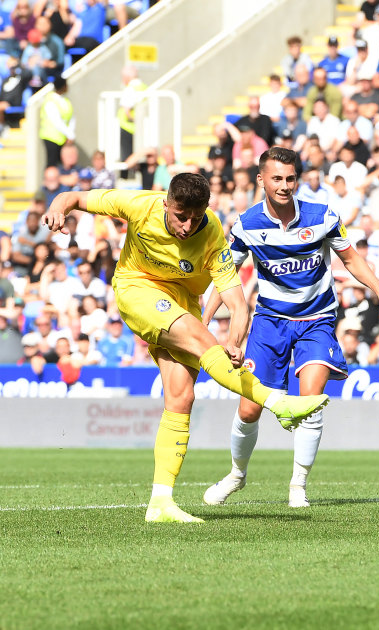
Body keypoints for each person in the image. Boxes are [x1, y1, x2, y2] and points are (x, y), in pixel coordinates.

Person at [41, 174, 331, 523]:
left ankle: (160, 502)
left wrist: (236, 342)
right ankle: (276, 402)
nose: (188, 225)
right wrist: (58, 208)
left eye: (196, 216)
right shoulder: (139, 206)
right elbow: (73, 196)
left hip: (183, 303)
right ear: (166, 203)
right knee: (200, 338)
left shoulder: (211, 236)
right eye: (181, 215)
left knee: (181, 396)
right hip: (138, 289)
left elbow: (237, 305)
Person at [202, 147, 379, 508]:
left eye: (290, 178)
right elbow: (225, 277)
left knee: (310, 404)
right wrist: (203, 319)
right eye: (276, 178)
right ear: (261, 179)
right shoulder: (247, 224)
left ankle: (298, 486)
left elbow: (351, 257)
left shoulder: (322, 216)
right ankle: (236, 475)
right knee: (249, 409)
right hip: (269, 322)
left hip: (316, 321)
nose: (284, 186)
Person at [38, 77, 73, 168]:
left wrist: (69, 134)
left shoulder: (65, 100)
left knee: (62, 164)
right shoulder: (50, 100)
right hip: (50, 136)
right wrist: (70, 134)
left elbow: (71, 118)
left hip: (62, 138)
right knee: (52, 162)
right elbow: (56, 121)